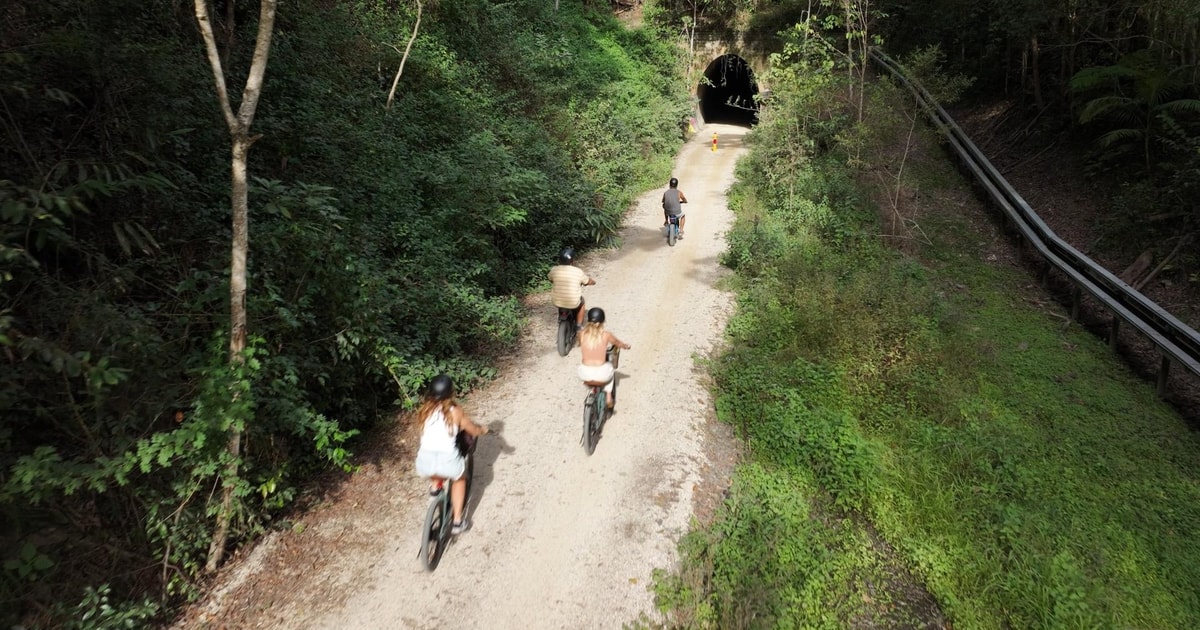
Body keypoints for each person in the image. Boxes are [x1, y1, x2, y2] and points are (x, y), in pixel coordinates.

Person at [414, 374, 489, 535]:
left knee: (434, 461)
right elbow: (473, 430)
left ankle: (435, 489)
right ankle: (457, 522)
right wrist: (482, 430)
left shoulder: (424, 411)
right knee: (459, 479)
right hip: (447, 460)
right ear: (451, 393)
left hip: (423, 462)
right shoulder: (456, 412)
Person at [576, 307, 631, 409]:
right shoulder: (606, 335)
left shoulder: (582, 334)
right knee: (610, 368)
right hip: (601, 374)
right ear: (602, 322)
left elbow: (581, 344)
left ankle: (591, 390)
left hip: (583, 373)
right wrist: (626, 346)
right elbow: (618, 344)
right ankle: (609, 397)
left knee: (588, 372)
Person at [547, 247, 595, 329]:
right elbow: (587, 281)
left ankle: (561, 317)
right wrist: (593, 282)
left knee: (561, 299)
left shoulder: (554, 270)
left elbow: (550, 279)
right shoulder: (577, 271)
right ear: (572, 261)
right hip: (573, 301)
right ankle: (579, 326)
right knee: (582, 302)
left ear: (560, 260)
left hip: (556, 301)